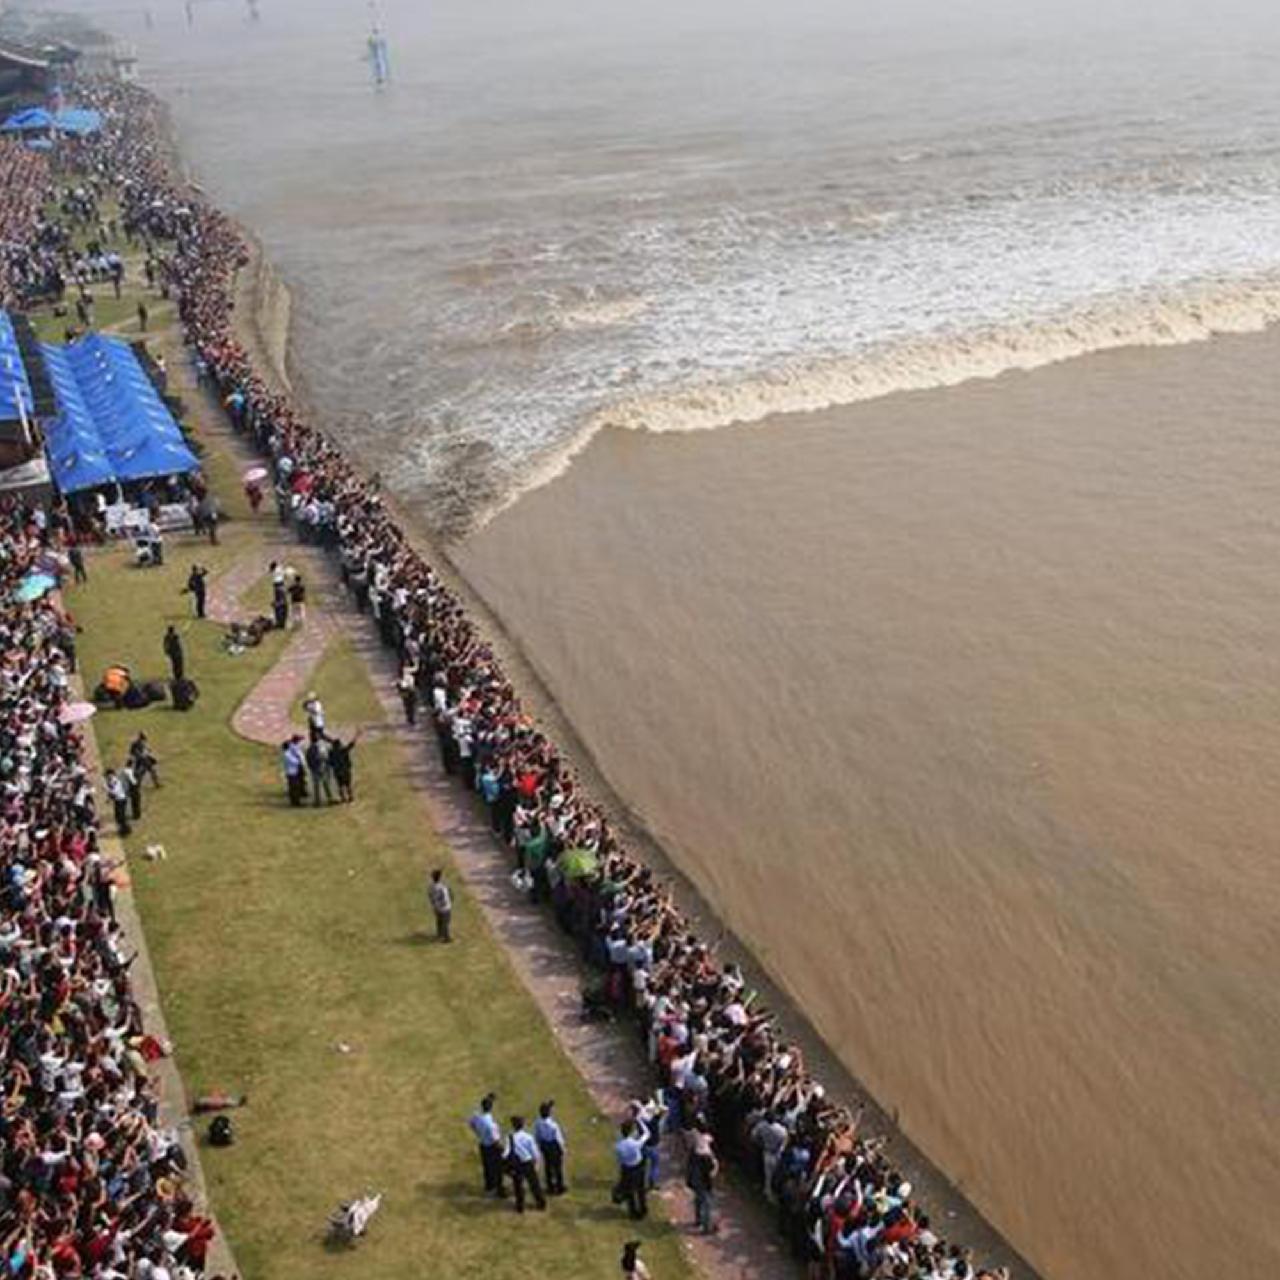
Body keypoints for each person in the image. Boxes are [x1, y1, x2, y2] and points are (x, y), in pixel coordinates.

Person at [504, 1116, 547, 1213]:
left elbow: (506, 1153)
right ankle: (541, 1203)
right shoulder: (528, 1137)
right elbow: (535, 1153)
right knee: (534, 1184)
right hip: (527, 1163)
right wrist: (537, 1164)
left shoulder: (510, 1137)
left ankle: (520, 1206)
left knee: (518, 1185)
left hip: (517, 1164)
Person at [467, 1094, 504, 1197]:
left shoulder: (477, 1117)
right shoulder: (491, 1124)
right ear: (491, 1108)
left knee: (487, 1167)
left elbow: (471, 1123)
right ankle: (499, 1190)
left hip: (483, 1145)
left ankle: (489, 1186)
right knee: (497, 1169)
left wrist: (477, 1133)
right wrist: (502, 1149)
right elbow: (496, 1140)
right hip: (492, 1147)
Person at [686, 1120, 718, 1235]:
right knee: (707, 1203)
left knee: (698, 1199)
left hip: (695, 1177)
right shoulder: (706, 1155)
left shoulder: (695, 1146)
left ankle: (698, 1221)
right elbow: (711, 1172)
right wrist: (715, 1166)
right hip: (703, 1180)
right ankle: (706, 1227)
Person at [612, 1119, 648, 1220]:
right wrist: (640, 1122)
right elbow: (646, 1134)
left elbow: (619, 1159)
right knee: (640, 1189)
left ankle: (632, 1212)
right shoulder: (634, 1144)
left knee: (629, 1191)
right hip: (637, 1167)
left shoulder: (618, 1145)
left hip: (626, 1168)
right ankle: (643, 1209)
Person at [534, 1100, 567, 1196]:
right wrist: (562, 1149)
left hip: (545, 1145)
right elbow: (558, 1138)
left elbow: (537, 1135)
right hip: (554, 1146)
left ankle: (550, 1187)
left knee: (548, 1166)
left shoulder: (538, 1122)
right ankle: (560, 1187)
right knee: (557, 1167)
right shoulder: (553, 1125)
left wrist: (540, 1144)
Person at [327, 733, 357, 803]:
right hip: (345, 770)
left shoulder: (331, 753)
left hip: (337, 771)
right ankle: (351, 797)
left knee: (340, 786)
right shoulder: (343, 750)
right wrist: (356, 736)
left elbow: (330, 763)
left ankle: (343, 798)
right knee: (348, 785)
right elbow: (351, 745)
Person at [305, 735, 334, 806]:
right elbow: (325, 757)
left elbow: (308, 759)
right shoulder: (321, 748)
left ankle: (317, 801)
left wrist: (311, 767)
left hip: (314, 769)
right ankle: (330, 799)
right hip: (322, 767)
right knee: (326, 784)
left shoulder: (309, 749)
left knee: (316, 786)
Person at [281, 736, 306, 807]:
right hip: (292, 772)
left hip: (293, 772)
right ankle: (295, 802)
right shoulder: (287, 754)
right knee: (294, 787)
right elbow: (295, 762)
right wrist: (298, 759)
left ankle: (296, 800)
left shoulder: (287, 753)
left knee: (294, 787)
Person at [105, 769, 131, 837]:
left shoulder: (115, 781)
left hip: (121, 800)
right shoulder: (110, 782)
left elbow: (115, 792)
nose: (108, 777)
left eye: (109, 775)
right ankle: (124, 829)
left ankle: (125, 831)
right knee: (118, 817)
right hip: (117, 800)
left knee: (121, 816)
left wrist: (108, 789)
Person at [429, 868, 452, 942]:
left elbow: (430, 896)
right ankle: (446, 937)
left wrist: (434, 904)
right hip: (444, 907)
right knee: (445, 922)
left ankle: (439, 934)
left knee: (439, 921)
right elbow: (446, 896)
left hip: (437, 907)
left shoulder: (432, 887)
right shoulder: (442, 887)